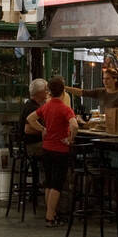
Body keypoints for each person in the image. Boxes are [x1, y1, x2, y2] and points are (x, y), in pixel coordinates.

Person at [28, 76, 79, 226]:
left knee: (49, 182)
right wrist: (70, 138)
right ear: (63, 91)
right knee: (57, 183)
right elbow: (74, 125)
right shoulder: (65, 108)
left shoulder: (46, 107)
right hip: (60, 149)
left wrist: (43, 129)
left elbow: (31, 119)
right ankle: (50, 217)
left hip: (47, 148)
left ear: (49, 91)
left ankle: (51, 213)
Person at [65, 66, 118, 133]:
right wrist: (65, 88)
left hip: (116, 128)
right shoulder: (101, 92)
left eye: (108, 79)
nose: (105, 81)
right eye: (103, 79)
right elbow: (82, 92)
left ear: (115, 79)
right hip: (102, 128)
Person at [20, 78, 48, 157]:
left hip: (28, 144)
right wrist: (45, 130)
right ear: (39, 93)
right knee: (56, 148)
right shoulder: (33, 108)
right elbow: (28, 129)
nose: (47, 92)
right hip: (32, 146)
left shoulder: (29, 104)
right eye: (45, 90)